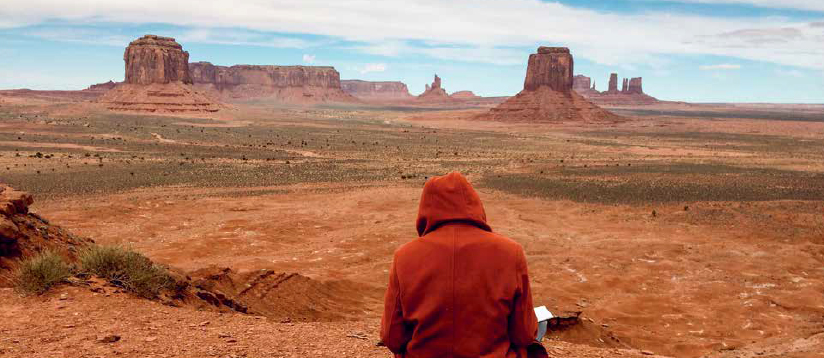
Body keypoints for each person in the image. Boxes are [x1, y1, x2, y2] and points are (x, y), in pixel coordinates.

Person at [381, 172, 543, 358]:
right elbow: (524, 334)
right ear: (474, 204)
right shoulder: (511, 252)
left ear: (425, 209)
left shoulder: (404, 256)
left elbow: (391, 337)